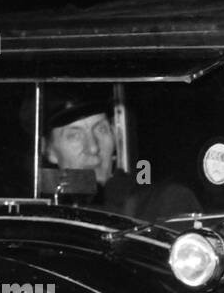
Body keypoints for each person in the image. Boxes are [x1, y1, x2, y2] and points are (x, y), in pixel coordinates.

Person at [35, 88, 200, 222]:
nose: (92, 147)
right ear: (48, 150)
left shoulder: (163, 204)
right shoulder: (37, 219)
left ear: (115, 135)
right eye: (74, 135)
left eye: (101, 129)